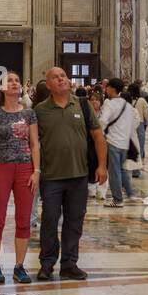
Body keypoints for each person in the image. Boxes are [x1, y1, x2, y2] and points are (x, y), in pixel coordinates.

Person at [34, 67, 107, 280]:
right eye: (56, 77)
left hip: (79, 174)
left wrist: (102, 166)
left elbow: (98, 137)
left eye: (64, 76)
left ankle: (69, 263)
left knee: (74, 221)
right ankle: (47, 263)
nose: (61, 80)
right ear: (48, 85)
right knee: (49, 220)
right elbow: (32, 143)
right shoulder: (40, 110)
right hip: (51, 176)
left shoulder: (82, 105)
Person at [0, 71, 40, 284]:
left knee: (23, 220)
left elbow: (35, 144)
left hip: (25, 168)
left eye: (17, 80)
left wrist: (36, 171)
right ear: (2, 88)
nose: (15, 83)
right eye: (10, 81)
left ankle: (19, 266)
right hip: (0, 167)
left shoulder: (29, 113)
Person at [99, 78, 138, 206]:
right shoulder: (127, 105)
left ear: (112, 88)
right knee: (121, 170)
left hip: (113, 142)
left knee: (114, 172)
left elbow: (103, 121)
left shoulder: (109, 104)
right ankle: (131, 194)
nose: (106, 90)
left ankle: (117, 200)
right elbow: (132, 123)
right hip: (124, 143)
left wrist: (100, 133)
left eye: (107, 87)